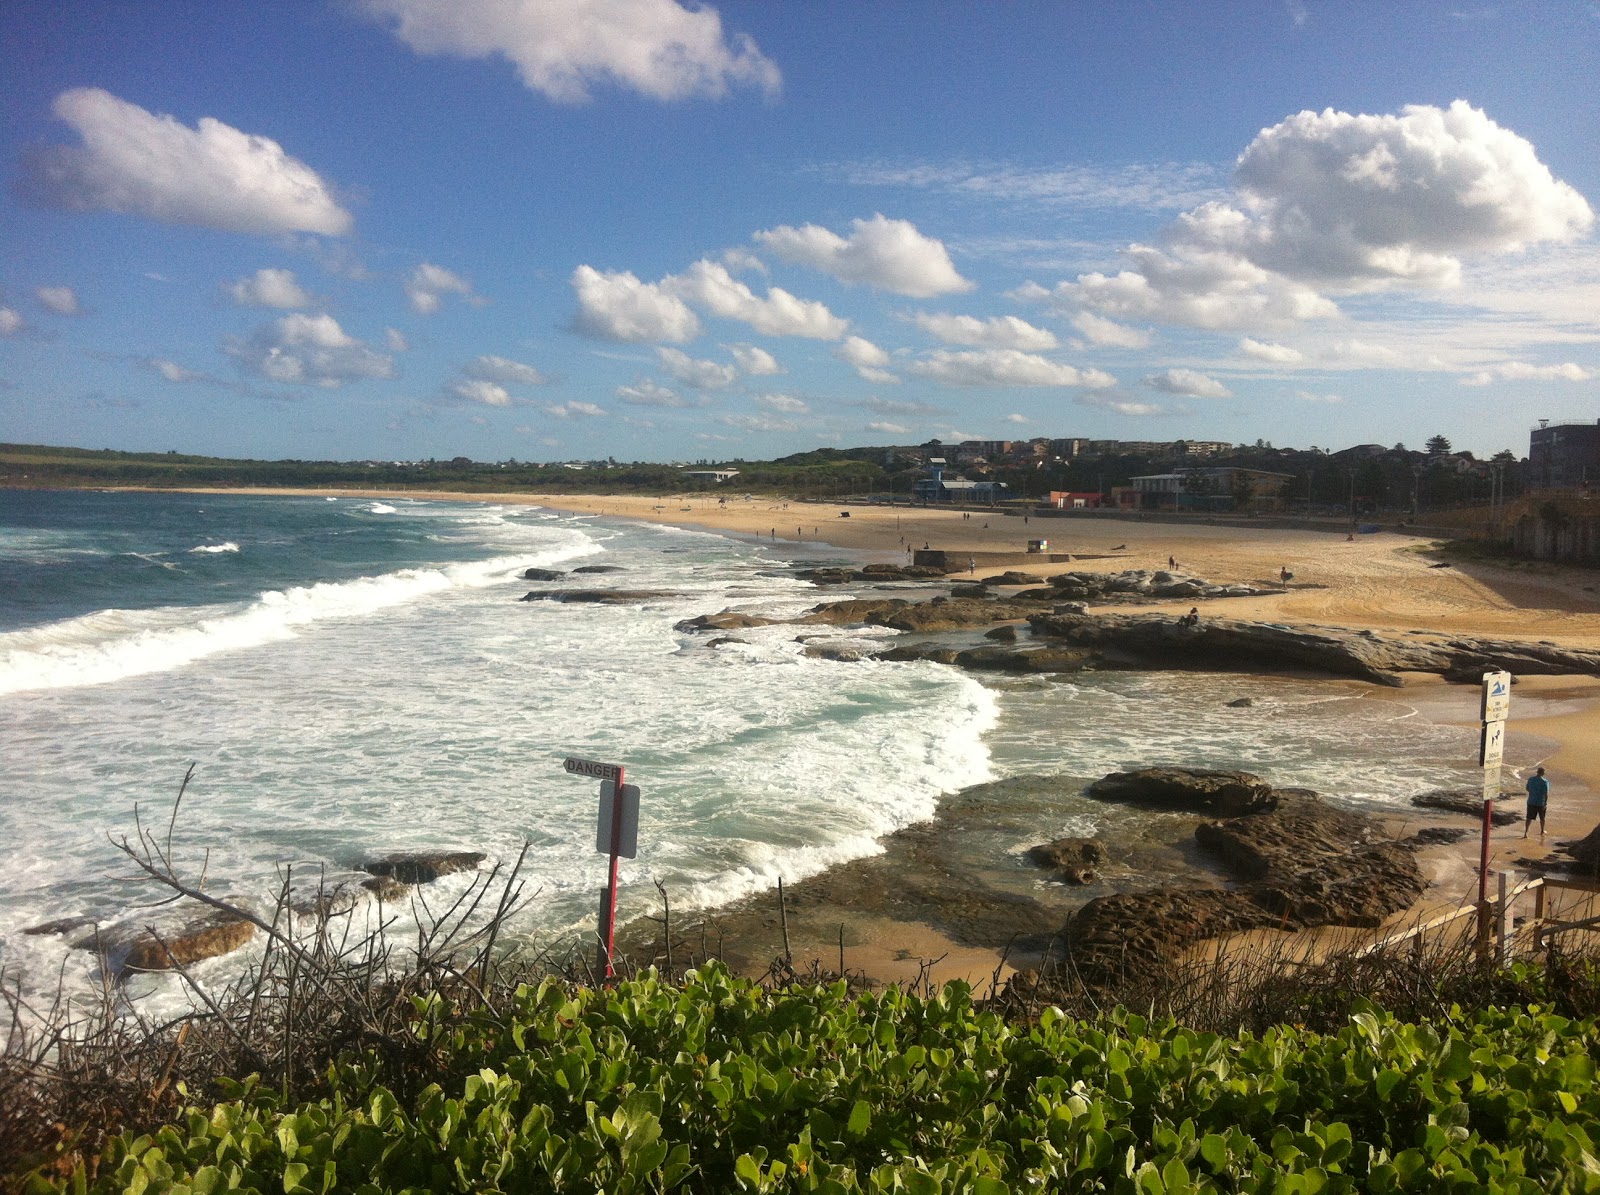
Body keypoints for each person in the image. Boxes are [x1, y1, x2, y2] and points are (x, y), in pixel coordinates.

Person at [1524, 766, 1550, 839]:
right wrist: (1545, 803)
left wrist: (1533, 793)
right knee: (1542, 818)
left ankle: (1526, 832)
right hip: (1540, 802)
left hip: (1531, 801)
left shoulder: (1531, 779)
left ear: (1537, 772)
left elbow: (1527, 788)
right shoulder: (1545, 782)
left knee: (1529, 818)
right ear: (1543, 773)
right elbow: (1546, 794)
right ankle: (1542, 831)